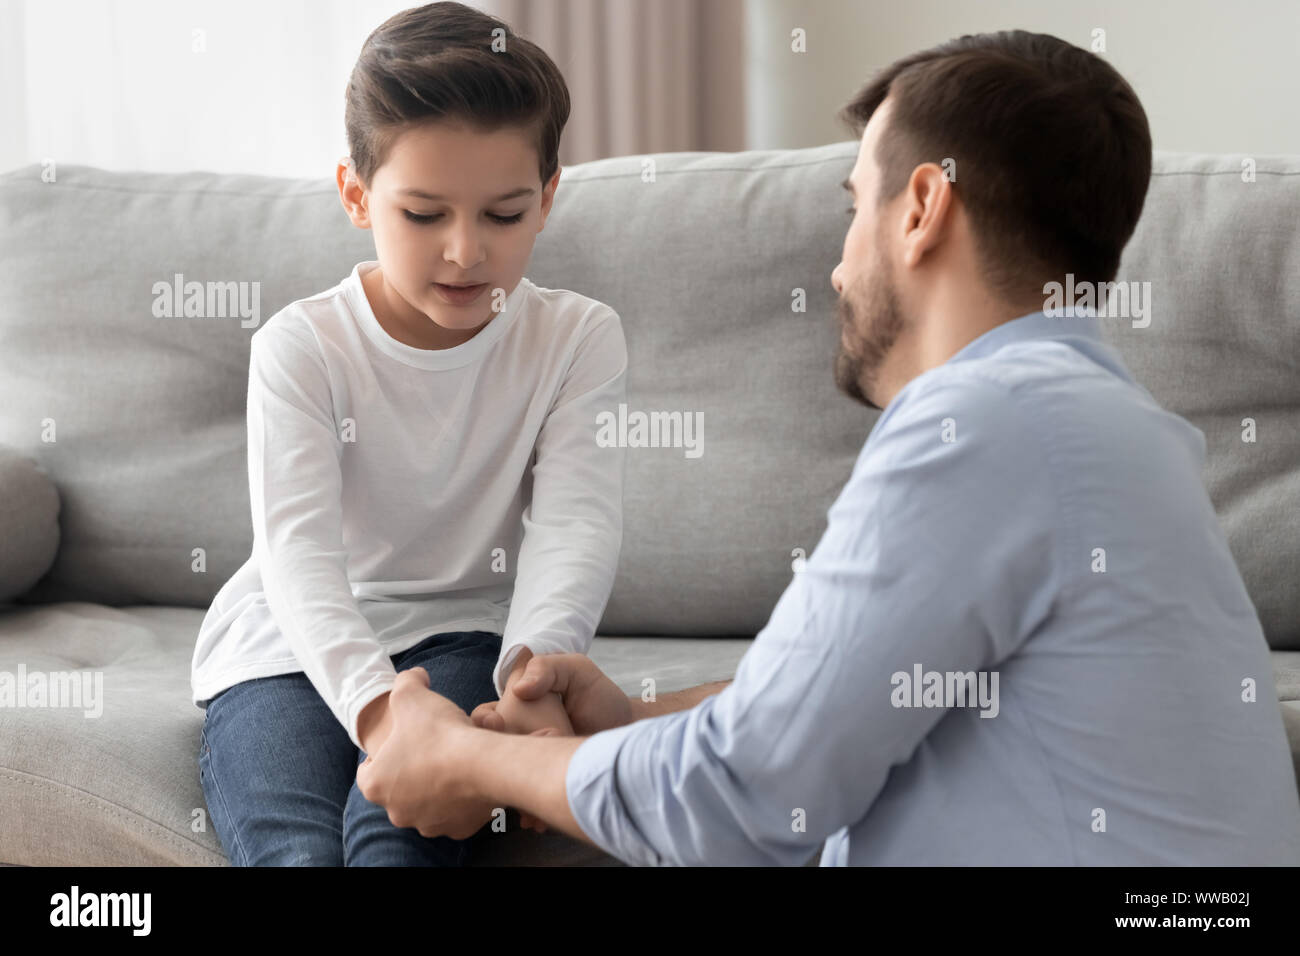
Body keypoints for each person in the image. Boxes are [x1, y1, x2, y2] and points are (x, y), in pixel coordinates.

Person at [357, 30, 1300, 865]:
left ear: (923, 206)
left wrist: (468, 756)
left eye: (856, 205)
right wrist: (640, 717)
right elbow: (892, 687)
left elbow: (745, 801)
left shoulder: (979, 426)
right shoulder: (1111, 424)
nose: (839, 266)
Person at [189, 1, 627, 866]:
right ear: (356, 195)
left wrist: (531, 677)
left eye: (503, 216)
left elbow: (576, 525)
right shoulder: (299, 347)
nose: (465, 253)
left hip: (462, 636)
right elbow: (298, 555)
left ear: (547, 199)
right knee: (295, 853)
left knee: (402, 847)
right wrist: (382, 707)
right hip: (284, 650)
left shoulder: (577, 337)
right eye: (424, 215)